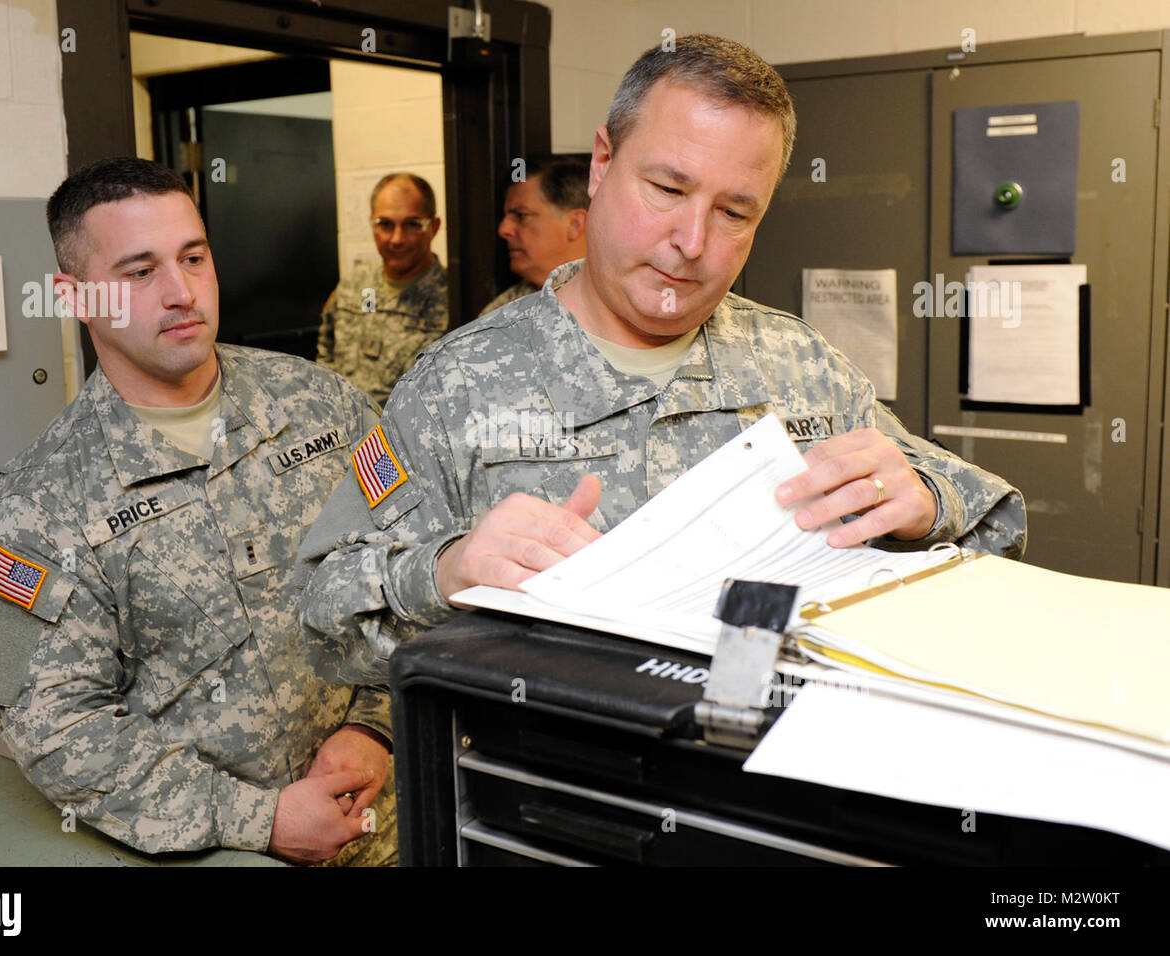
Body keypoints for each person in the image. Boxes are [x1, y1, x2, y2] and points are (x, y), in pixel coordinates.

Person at [294, 35, 1027, 685]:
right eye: (668, 189)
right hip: (547, 802)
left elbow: (998, 524)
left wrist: (927, 502)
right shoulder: (455, 385)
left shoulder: (801, 365)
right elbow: (324, 618)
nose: (693, 240)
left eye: (735, 213)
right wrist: (446, 571)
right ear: (603, 164)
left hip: (758, 787)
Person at [0, 157, 394, 865]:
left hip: (390, 820)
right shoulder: (38, 508)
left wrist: (374, 726)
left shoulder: (323, 405)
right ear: (75, 298)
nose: (180, 291)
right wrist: (259, 818)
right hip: (221, 853)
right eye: (139, 272)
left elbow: (411, 566)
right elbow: (57, 727)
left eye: (193, 257)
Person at [316, 172, 449, 408]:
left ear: (434, 227)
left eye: (411, 225)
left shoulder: (452, 298)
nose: (397, 239)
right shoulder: (355, 284)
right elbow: (326, 350)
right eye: (385, 224)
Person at [480, 154, 590, 316]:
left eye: (521, 216)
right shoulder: (502, 314)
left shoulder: (625, 301)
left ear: (575, 224)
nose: (504, 229)